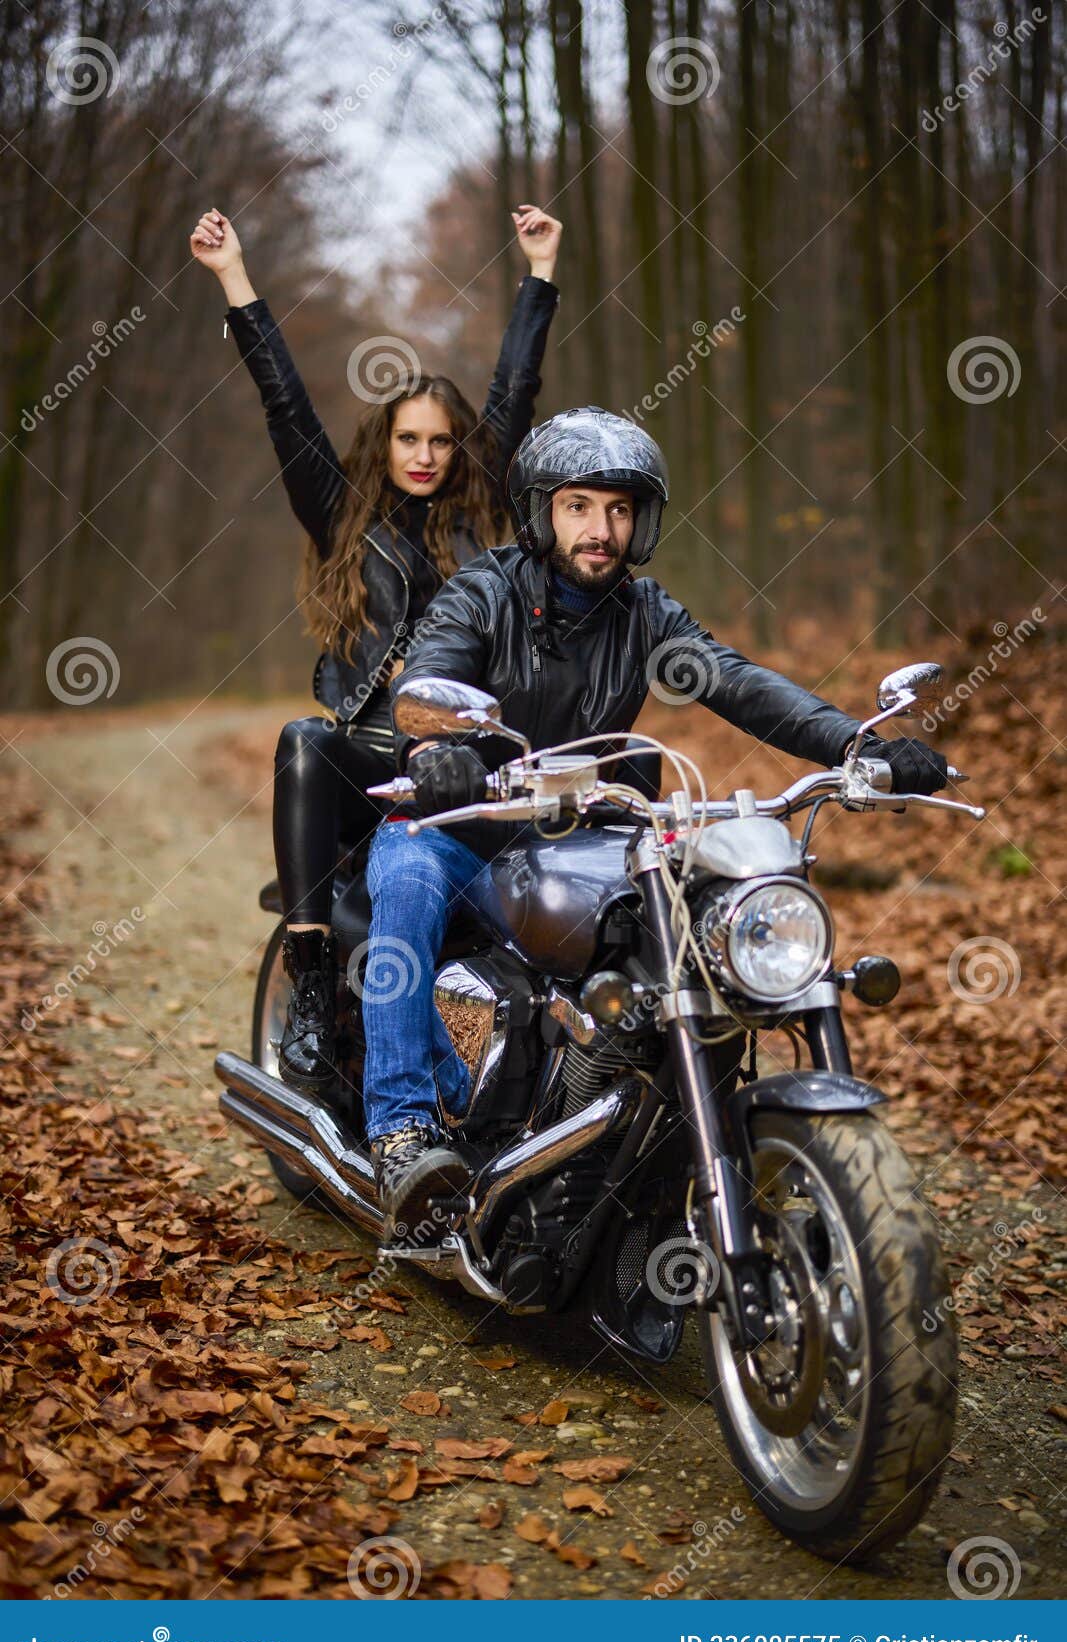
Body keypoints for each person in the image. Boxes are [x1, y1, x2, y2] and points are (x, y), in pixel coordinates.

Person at [362, 407, 950, 1232]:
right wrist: (433, 753)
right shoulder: (483, 593)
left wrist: (855, 743)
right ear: (541, 512)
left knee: (690, 918)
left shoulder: (643, 614)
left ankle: (639, 1134)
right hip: (460, 823)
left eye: (618, 510)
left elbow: (737, 682)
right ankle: (401, 1131)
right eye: (578, 507)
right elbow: (428, 674)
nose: (600, 530)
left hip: (575, 836)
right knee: (407, 885)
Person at [189, 202, 563, 1089]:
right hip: (372, 761)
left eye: (440, 440)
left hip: (472, 765)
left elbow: (514, 393)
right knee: (304, 740)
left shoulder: (484, 517)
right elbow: (285, 406)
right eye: (409, 439)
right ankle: (312, 984)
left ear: (460, 448)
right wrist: (234, 277)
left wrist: (541, 273)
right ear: (385, 444)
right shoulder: (340, 515)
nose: (425, 455)